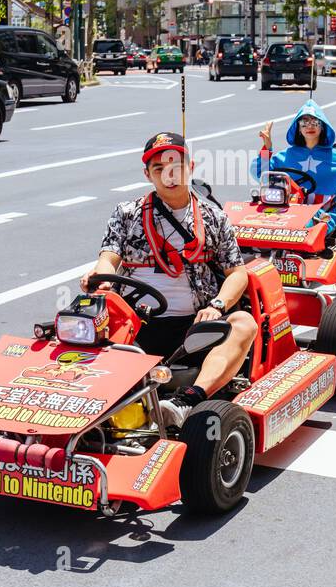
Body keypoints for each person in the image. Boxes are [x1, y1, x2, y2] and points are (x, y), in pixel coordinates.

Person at [84, 132, 257, 427]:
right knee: (77, 322)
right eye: (159, 169)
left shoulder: (214, 216)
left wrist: (217, 304)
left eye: (175, 165)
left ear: (191, 166)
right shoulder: (127, 214)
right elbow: (109, 257)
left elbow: (237, 273)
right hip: (136, 323)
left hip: (195, 324)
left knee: (245, 323)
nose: (169, 175)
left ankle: (186, 401)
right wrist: (101, 277)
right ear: (147, 175)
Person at [253, 100, 336, 230]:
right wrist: (266, 148)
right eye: (304, 122)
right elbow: (261, 174)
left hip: (321, 216)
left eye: (315, 121)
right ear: (298, 128)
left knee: (303, 224)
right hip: (283, 212)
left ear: (322, 126)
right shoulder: (284, 156)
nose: (309, 126)